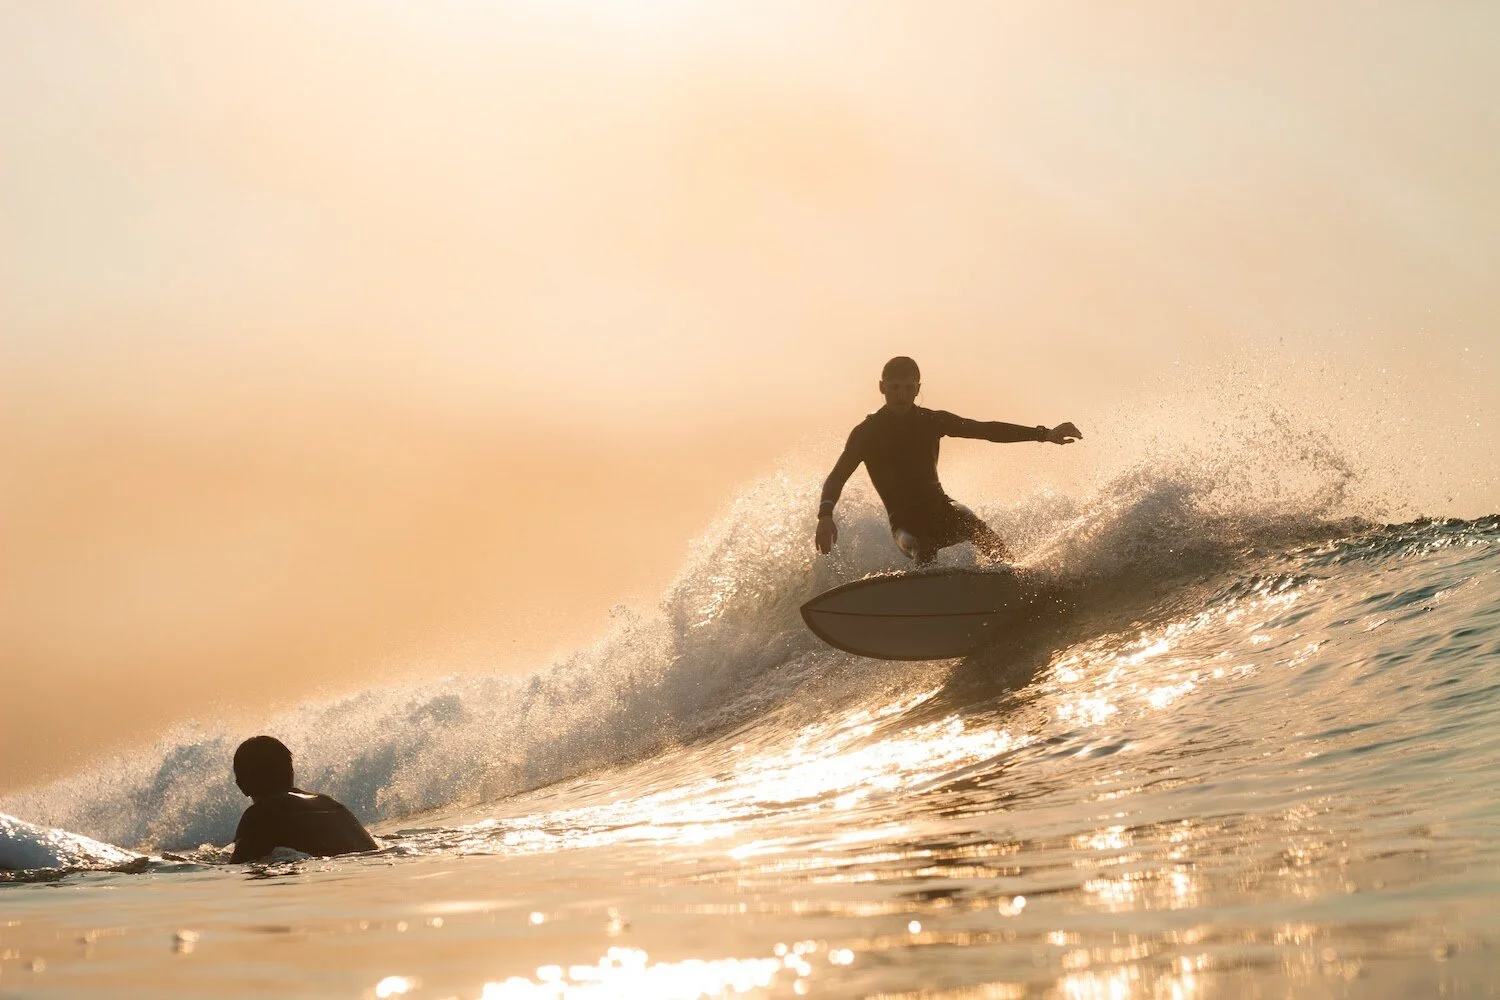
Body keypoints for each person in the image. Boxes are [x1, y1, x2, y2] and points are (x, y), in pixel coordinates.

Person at [815, 356, 1081, 566]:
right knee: (924, 546)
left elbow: (986, 430)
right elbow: (837, 476)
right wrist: (825, 516)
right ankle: (927, 601)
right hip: (905, 524)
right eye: (894, 387)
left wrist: (1044, 434)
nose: (901, 395)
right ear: (882, 386)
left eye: (909, 388)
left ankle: (1014, 578)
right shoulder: (866, 433)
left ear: (918, 389)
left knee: (976, 527)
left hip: (941, 508)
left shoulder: (931, 421)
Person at [229, 736, 379, 863]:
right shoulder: (330, 804)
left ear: (242, 785)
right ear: (291, 772)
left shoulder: (260, 814)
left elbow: (238, 864)